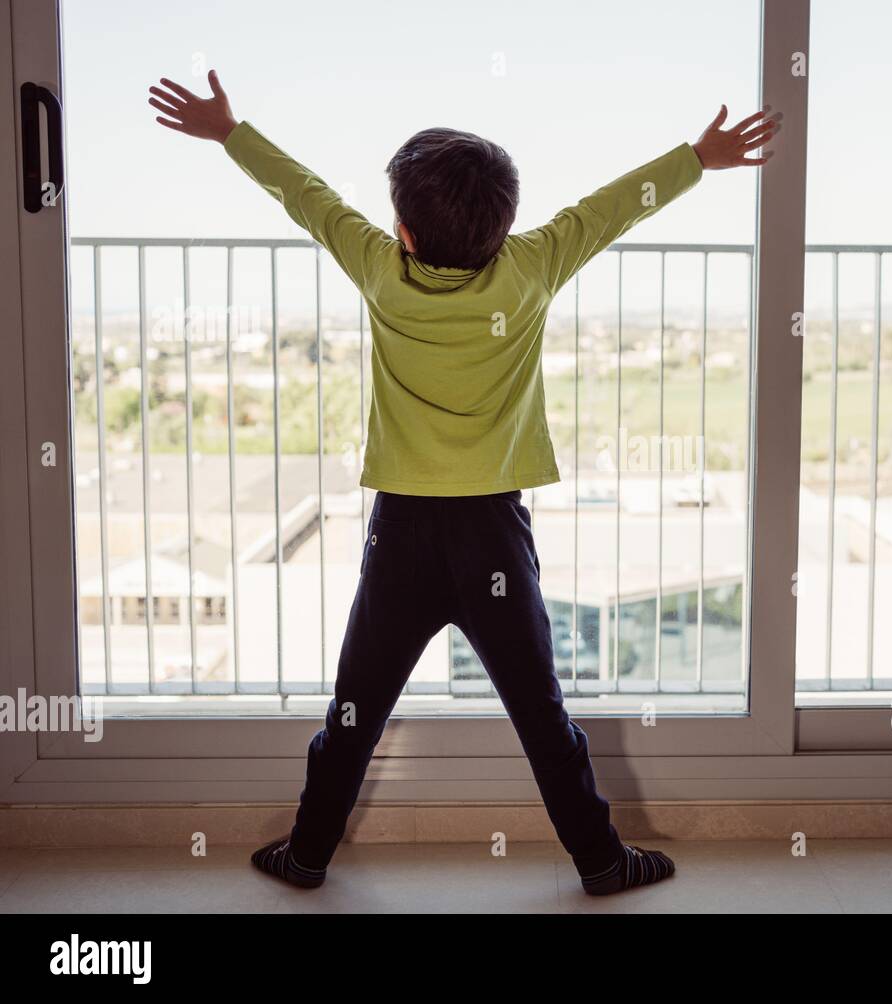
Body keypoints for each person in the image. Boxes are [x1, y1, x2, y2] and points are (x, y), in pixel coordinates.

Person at [148, 69, 779, 895]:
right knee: (543, 715)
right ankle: (600, 860)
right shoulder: (529, 272)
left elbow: (304, 196)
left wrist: (231, 131)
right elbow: (613, 207)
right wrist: (699, 156)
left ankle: (306, 855)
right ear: (503, 224)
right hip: (491, 535)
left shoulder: (380, 272)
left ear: (403, 234)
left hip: (402, 533)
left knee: (353, 713)